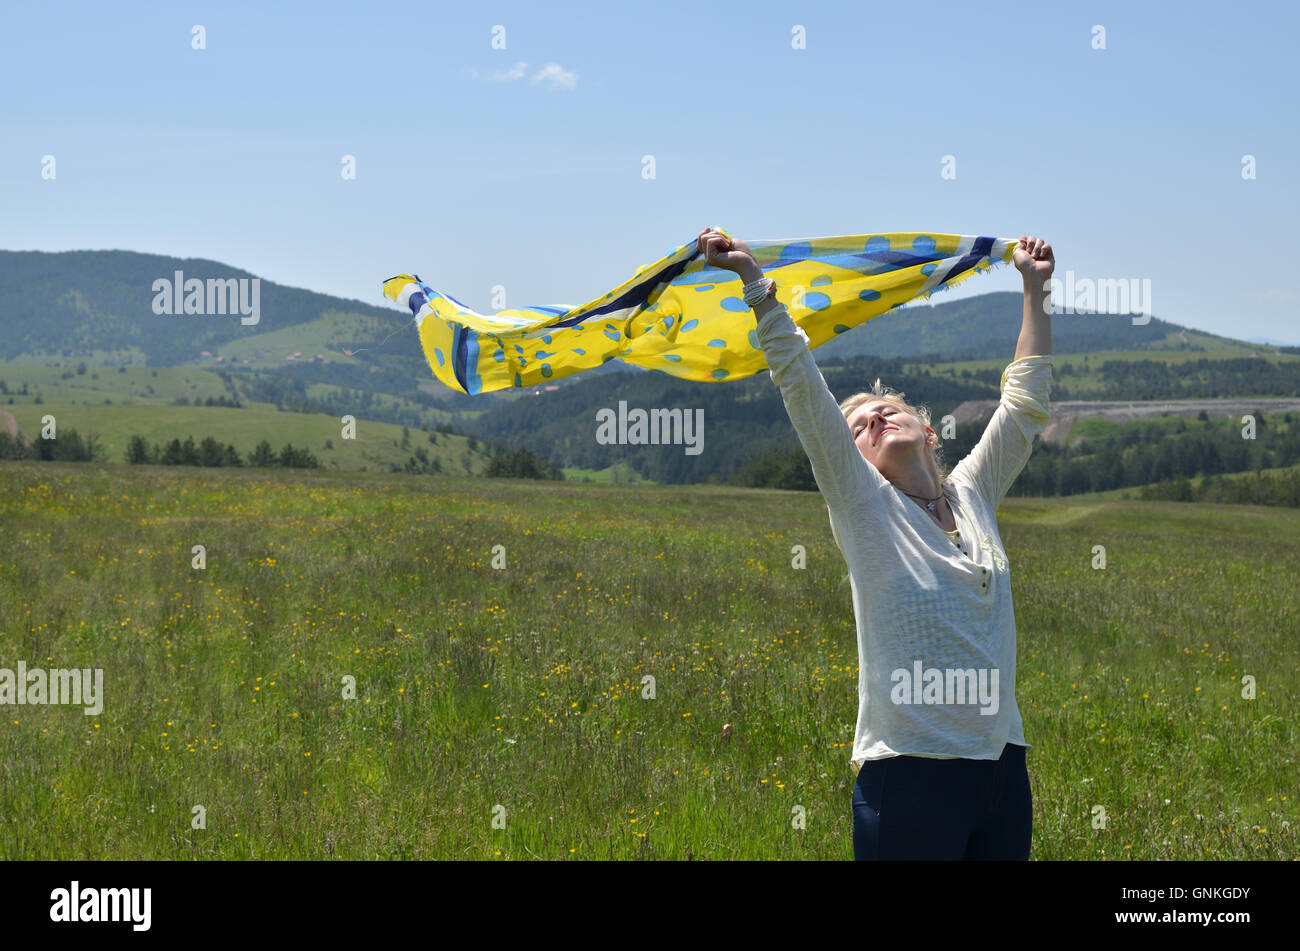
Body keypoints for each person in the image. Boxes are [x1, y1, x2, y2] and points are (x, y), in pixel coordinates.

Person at [697, 227, 1055, 860]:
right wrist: (755, 284)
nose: (875, 418)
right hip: (911, 776)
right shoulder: (866, 506)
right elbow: (804, 394)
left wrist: (1034, 289)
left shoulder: (973, 494)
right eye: (859, 426)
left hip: (1002, 768)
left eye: (888, 409)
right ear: (853, 458)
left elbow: (1024, 404)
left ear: (929, 433)